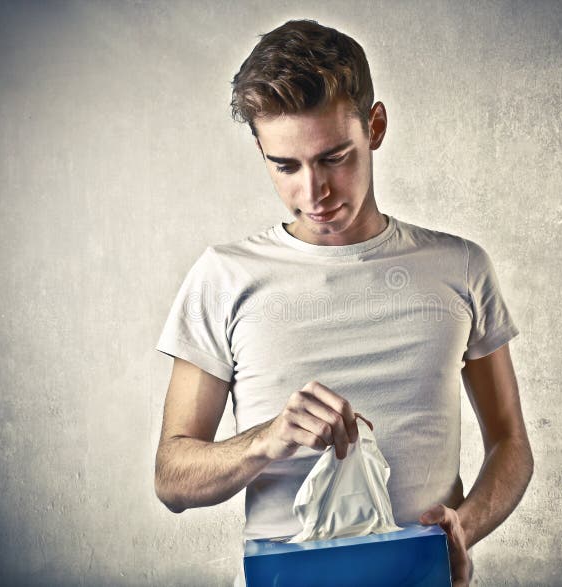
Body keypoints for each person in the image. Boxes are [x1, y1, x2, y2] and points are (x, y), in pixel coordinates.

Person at [154, 19, 533, 587]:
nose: (314, 193)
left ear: (375, 126)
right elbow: (171, 478)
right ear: (261, 151)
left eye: (334, 157)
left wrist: (465, 526)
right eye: (285, 166)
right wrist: (267, 440)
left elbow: (511, 443)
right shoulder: (224, 277)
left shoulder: (461, 267)